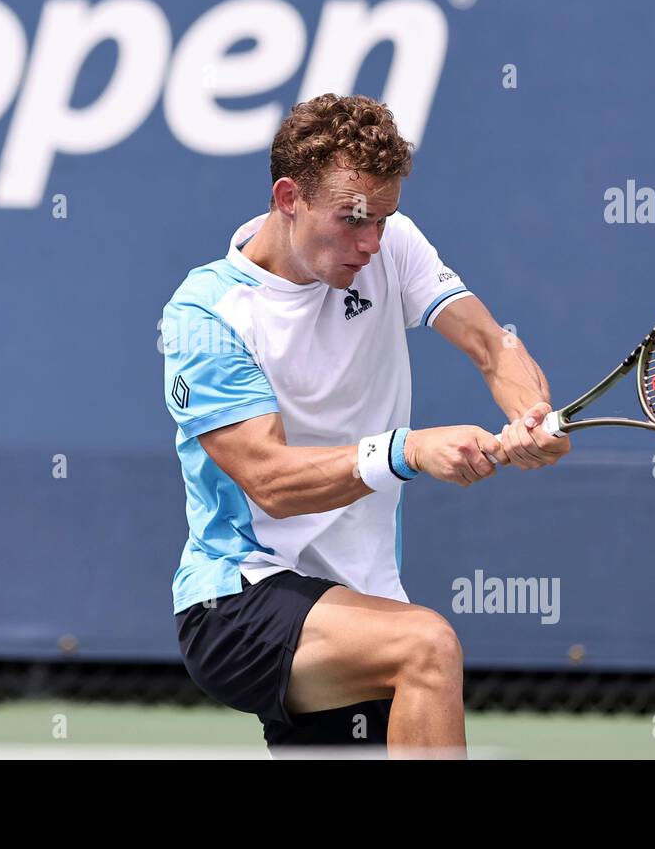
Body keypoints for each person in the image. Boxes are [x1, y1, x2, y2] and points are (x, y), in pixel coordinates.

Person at [161, 93, 570, 758]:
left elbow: (494, 347)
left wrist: (531, 416)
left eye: (384, 218)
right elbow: (271, 480)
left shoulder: (391, 247)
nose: (371, 241)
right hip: (238, 598)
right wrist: (406, 450)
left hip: (359, 599)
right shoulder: (208, 316)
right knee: (426, 647)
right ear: (289, 197)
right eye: (353, 219)